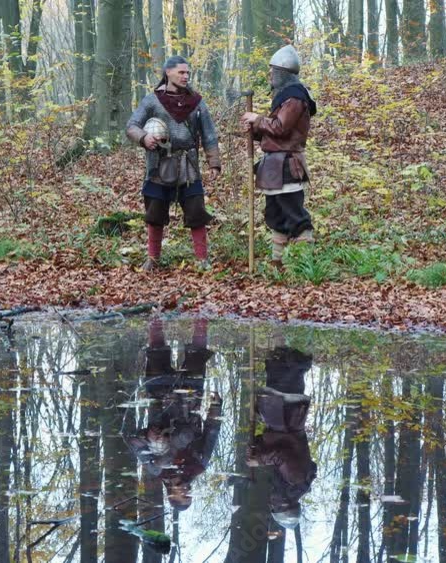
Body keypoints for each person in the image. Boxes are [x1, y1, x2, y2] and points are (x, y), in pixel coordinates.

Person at [126, 56, 222, 272]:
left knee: (196, 212)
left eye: (188, 73)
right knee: (155, 213)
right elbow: (131, 125)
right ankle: (153, 259)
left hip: (188, 164)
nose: (186, 76)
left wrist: (214, 163)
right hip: (158, 163)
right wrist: (143, 138)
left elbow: (209, 135)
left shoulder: (196, 102)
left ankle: (202, 260)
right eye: (181, 72)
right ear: (168, 72)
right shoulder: (152, 100)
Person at [127, 318, 221, 513]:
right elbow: (211, 432)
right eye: (189, 495)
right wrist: (216, 408)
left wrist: (149, 437)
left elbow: (134, 441)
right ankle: (201, 311)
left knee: (156, 350)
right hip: (191, 397)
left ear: (171, 495)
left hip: (158, 395)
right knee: (198, 354)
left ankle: (156, 310)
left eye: (183, 495)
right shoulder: (199, 465)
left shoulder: (155, 469)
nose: (187, 491)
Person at [240, 45, 318, 267]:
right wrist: (255, 129)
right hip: (273, 165)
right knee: (275, 215)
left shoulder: (295, 97)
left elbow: (281, 128)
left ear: (282, 73)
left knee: (295, 216)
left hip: (287, 164)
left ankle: (305, 264)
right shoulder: (284, 98)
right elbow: (272, 133)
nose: (269, 76)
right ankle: (278, 262)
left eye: (272, 71)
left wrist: (258, 119)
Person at [247, 340, 317, 529]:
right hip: (285, 416)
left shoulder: (292, 485)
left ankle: (288, 340)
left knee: (281, 370)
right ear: (284, 506)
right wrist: (259, 460)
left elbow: (279, 451)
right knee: (285, 369)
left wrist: (258, 446)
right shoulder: (295, 481)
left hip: (283, 417)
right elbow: (282, 455)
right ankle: (290, 336)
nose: (271, 502)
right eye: (275, 506)